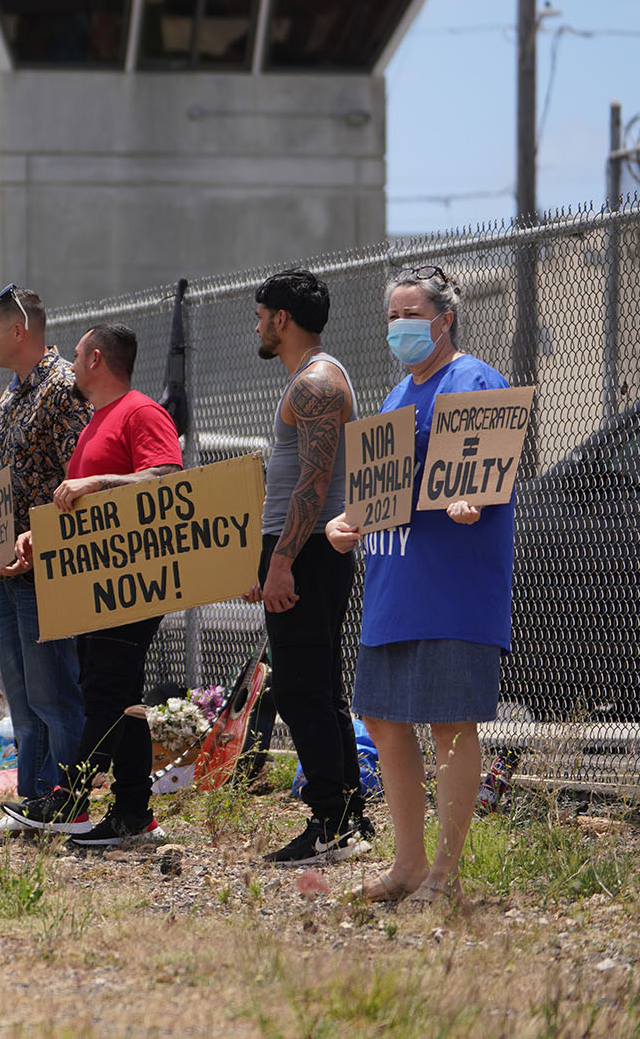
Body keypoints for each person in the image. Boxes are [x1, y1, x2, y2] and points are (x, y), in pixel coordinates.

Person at [326, 265, 516, 905]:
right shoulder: (395, 396)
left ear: (445, 318)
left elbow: (491, 471)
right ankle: (406, 866)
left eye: (411, 314)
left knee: (451, 726)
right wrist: (346, 523)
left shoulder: (475, 381)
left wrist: (474, 502)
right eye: (391, 317)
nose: (399, 326)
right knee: (382, 719)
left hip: (450, 590)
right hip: (391, 586)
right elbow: (380, 494)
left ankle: (446, 873)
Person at [6, 322, 182, 848]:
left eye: (77, 354)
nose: (71, 363)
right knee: (120, 695)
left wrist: (96, 481)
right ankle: (132, 813)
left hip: (131, 584)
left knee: (104, 690)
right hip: (95, 583)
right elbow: (82, 513)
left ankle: (70, 798)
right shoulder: (96, 422)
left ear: (96, 360)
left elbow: (167, 476)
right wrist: (38, 538)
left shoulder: (141, 411)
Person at [244, 269, 372, 865]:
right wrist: (269, 559)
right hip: (302, 550)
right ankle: (348, 815)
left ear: (283, 320)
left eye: (262, 314)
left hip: (310, 550)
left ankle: (329, 822)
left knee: (300, 689)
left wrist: (283, 562)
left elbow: (313, 485)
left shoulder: (317, 383)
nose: (258, 325)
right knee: (317, 686)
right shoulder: (308, 379)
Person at [0, 286, 91, 839]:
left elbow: (77, 478)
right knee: (20, 691)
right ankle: (33, 801)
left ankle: (68, 800)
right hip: (8, 567)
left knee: (54, 690)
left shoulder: (64, 388)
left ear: (20, 331)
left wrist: (39, 537)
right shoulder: (14, 397)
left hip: (48, 566)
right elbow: (19, 477)